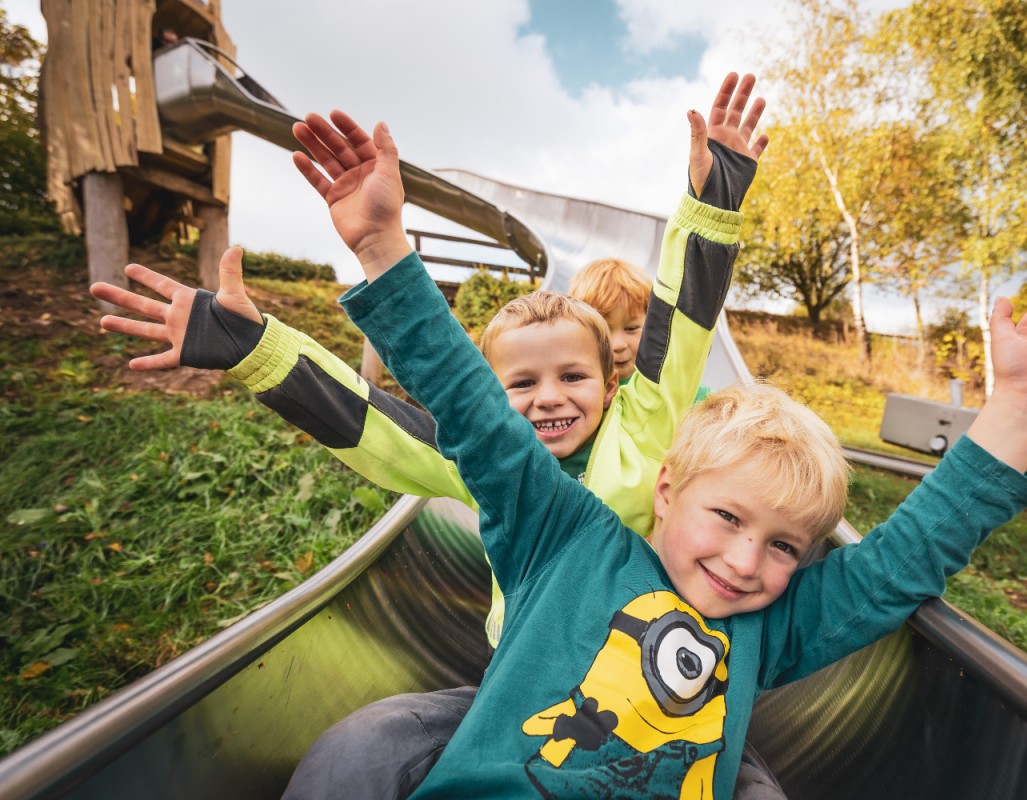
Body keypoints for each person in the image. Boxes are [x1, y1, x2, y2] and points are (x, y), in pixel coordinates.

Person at [283, 93, 1027, 796]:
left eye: (785, 545)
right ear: (664, 490)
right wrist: (381, 247)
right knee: (355, 750)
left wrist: (1020, 405)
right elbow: (476, 414)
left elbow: (903, 560)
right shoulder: (564, 539)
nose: (745, 560)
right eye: (727, 516)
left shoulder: (777, 625)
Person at [93, 74, 786, 799]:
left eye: (573, 378)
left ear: (611, 383)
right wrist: (255, 349)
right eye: (522, 386)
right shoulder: (491, 465)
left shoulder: (642, 435)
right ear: (492, 396)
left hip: (677, 703)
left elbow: (680, 329)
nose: (549, 398)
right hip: (530, 693)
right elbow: (366, 420)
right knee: (359, 749)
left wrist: (713, 203)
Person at [568, 257, 710, 400]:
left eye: (631, 328)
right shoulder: (580, 391)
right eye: (603, 332)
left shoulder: (667, 383)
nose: (618, 345)